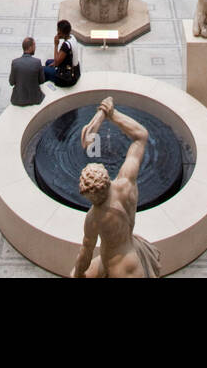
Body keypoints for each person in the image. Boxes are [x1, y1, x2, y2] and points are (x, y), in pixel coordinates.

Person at [72, 98, 160, 279]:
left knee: (75, 273)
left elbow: (85, 254)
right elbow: (140, 136)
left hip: (121, 270)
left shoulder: (94, 216)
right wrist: (111, 114)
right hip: (127, 252)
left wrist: (79, 275)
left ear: (92, 196)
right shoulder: (125, 183)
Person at [44, 19, 81, 87]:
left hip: (68, 78)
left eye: (59, 31)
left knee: (43, 70)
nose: (57, 33)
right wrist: (55, 63)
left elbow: (56, 62)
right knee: (48, 62)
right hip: (74, 69)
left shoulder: (66, 46)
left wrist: (56, 45)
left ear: (63, 33)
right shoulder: (72, 37)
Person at [9, 37, 45, 107]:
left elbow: (11, 82)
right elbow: (42, 81)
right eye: (34, 46)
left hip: (18, 99)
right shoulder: (37, 62)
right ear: (30, 47)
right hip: (35, 98)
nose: (35, 48)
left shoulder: (15, 62)